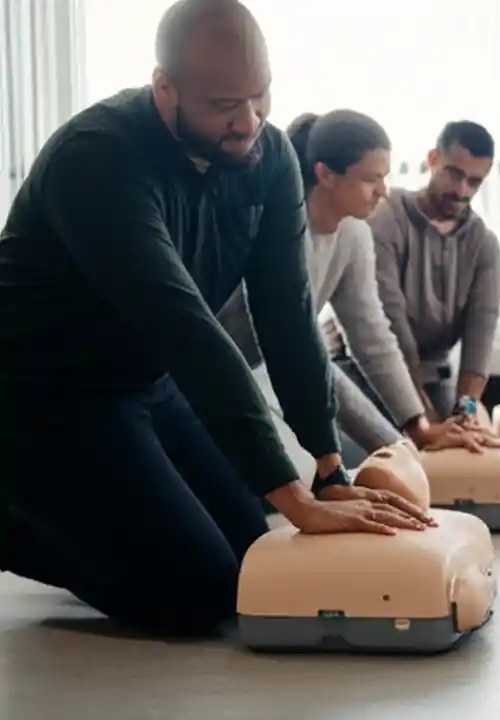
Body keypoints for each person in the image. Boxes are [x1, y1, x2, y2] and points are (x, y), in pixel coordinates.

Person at [0, 0, 430, 637]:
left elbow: (288, 316)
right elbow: (184, 326)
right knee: (200, 593)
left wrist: (326, 468)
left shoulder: (271, 156)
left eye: (260, 99)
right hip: (43, 389)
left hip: (146, 379)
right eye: (225, 105)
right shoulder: (97, 159)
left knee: (247, 552)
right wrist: (297, 501)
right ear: (164, 89)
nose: (247, 123)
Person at [217, 109, 492, 458]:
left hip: (268, 376)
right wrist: (394, 446)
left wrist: (415, 432)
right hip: (216, 380)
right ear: (326, 175)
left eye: (385, 178)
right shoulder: (279, 229)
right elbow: (300, 354)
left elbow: (372, 337)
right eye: (370, 179)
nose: (382, 191)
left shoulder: (354, 234)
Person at [332, 120, 500, 427]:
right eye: (454, 174)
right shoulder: (384, 218)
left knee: (475, 443)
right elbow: (389, 329)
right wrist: (425, 424)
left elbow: (481, 337)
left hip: (433, 377)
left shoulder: (484, 245)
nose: (462, 190)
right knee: (403, 451)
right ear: (433, 159)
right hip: (361, 369)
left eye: (474, 182)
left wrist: (465, 413)